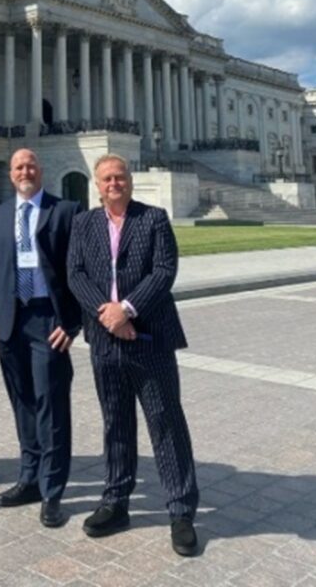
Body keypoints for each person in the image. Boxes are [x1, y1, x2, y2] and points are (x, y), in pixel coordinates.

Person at [67, 154, 199, 557]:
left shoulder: (153, 218)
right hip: (106, 340)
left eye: (120, 177)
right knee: (116, 422)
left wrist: (126, 309)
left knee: (165, 421)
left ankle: (180, 510)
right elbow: (75, 274)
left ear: (130, 180)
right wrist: (108, 317)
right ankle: (116, 500)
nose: (114, 184)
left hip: (149, 338)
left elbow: (163, 271)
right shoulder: (83, 223)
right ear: (97, 183)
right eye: (107, 178)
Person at [0, 148, 80, 528]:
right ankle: (30, 477)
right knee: (22, 402)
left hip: (46, 319)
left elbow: (79, 271)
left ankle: (53, 490)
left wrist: (71, 323)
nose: (26, 171)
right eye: (19, 166)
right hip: (8, 321)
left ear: (42, 170)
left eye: (32, 165)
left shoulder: (65, 211)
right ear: (11, 174)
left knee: (51, 405)